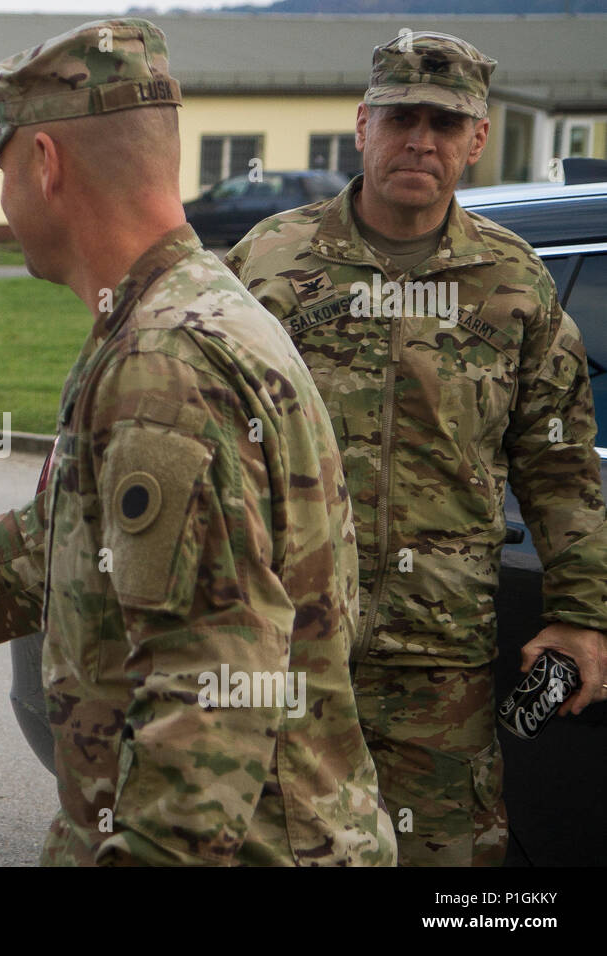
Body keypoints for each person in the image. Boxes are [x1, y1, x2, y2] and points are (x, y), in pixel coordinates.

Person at [0, 18, 396, 867]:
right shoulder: (178, 315)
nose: (2, 202)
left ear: (45, 165)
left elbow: (207, 708)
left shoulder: (162, 364)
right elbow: (63, 545)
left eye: (3, 172)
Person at [225, 32, 607, 866]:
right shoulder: (269, 264)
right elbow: (206, 443)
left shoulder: (513, 282)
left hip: (439, 666)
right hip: (280, 646)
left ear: (476, 139)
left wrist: (580, 615)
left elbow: (561, 460)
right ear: (363, 125)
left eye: (445, 122)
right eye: (401, 117)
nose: (420, 141)